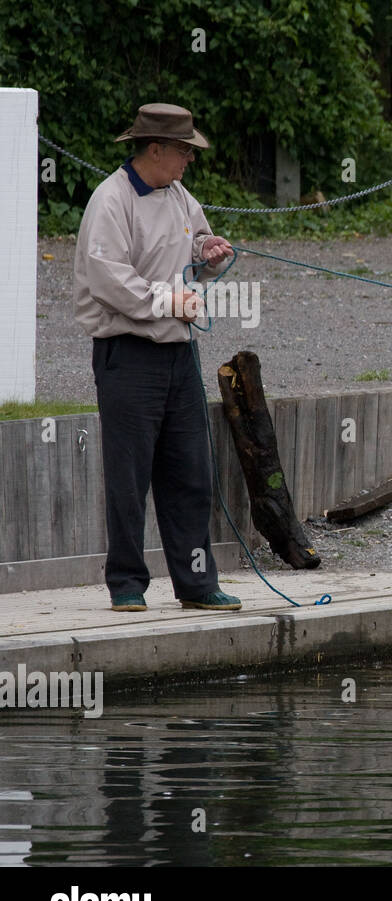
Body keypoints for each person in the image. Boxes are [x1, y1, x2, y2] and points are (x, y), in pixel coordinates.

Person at [73, 103, 242, 613]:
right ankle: (126, 584)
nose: (190, 159)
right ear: (155, 150)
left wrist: (212, 253)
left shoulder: (179, 195)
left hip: (177, 355)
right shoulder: (111, 200)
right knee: (129, 476)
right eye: (184, 150)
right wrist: (170, 300)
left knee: (191, 472)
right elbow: (109, 280)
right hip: (127, 355)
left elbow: (195, 255)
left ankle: (196, 583)